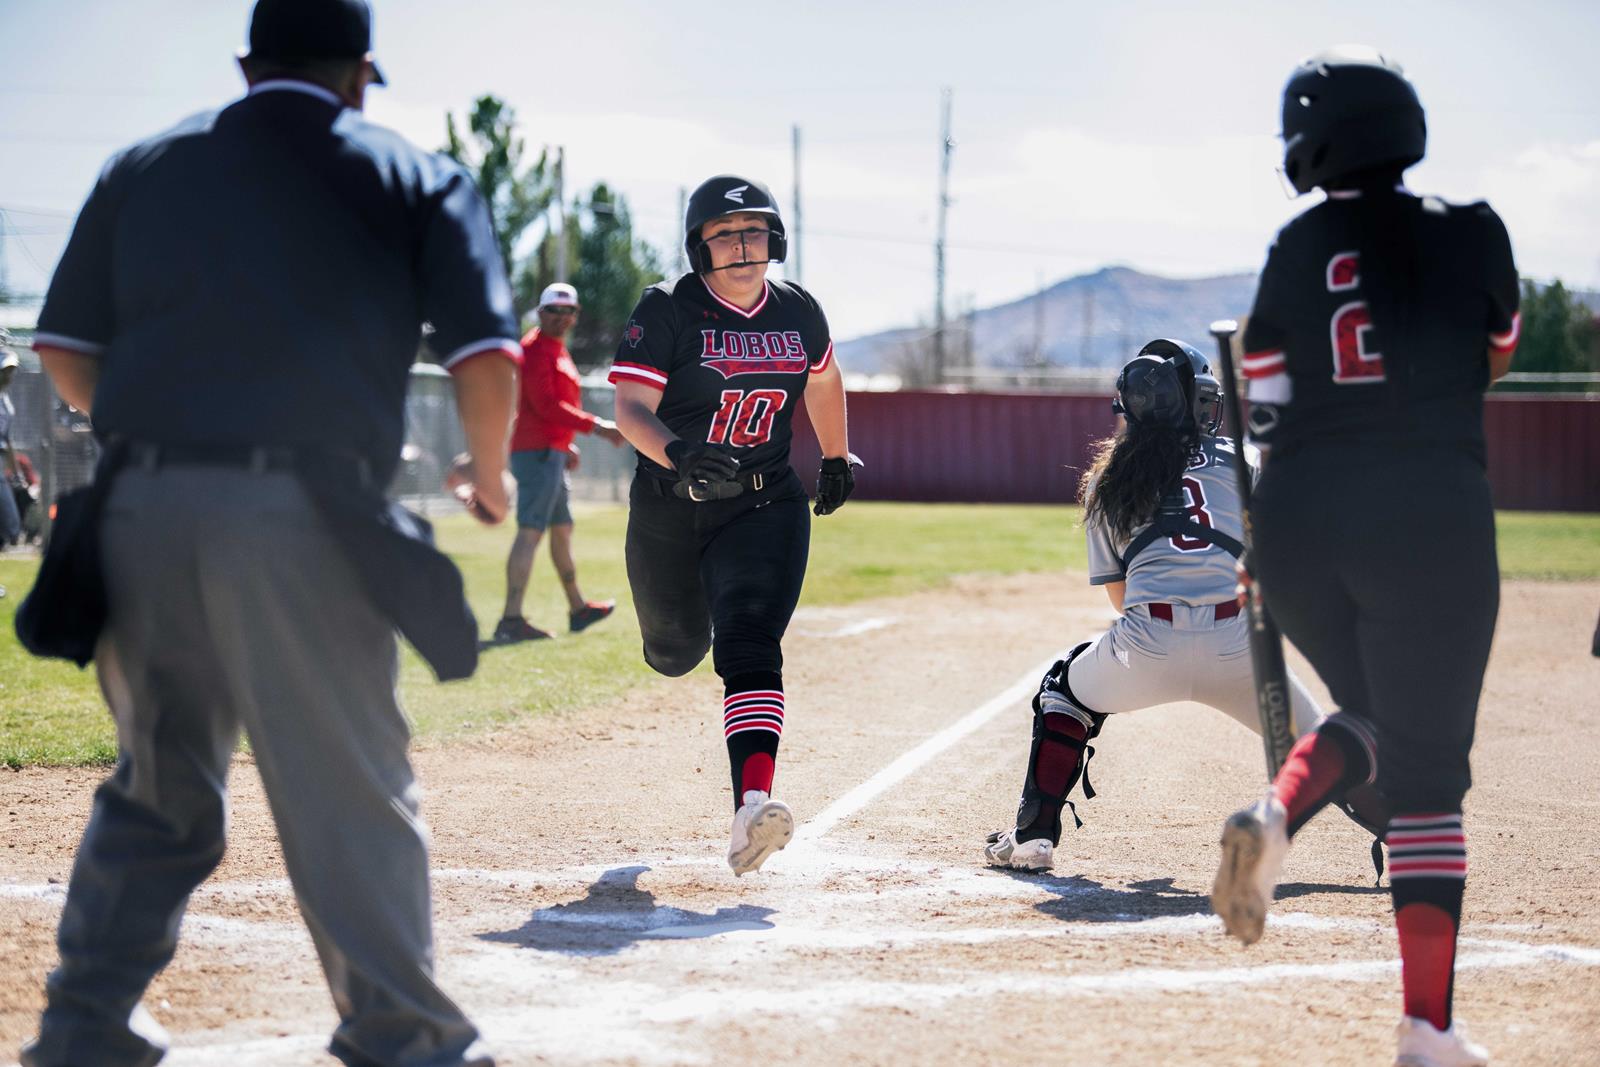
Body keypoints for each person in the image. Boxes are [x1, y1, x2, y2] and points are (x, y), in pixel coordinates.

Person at [20, 1, 520, 1064]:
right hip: (302, 514)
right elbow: (486, 357)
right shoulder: (411, 171)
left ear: (248, 65)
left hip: (137, 512)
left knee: (157, 779)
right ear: (359, 74)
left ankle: (85, 1024)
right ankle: (403, 1029)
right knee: (345, 780)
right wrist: (486, 469)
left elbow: (64, 352)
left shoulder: (143, 164)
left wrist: (168, 422)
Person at [1209, 46, 1519, 1067]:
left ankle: (1277, 806)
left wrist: (1265, 532)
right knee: (1428, 780)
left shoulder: (1296, 246)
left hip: (1296, 515)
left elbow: (1262, 396)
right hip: (1427, 511)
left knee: (1374, 720)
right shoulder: (1473, 232)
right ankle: (1426, 1028)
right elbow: (1497, 350)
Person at [982, 340, 1331, 872]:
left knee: (1063, 693)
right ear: (1192, 404)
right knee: (1328, 750)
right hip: (1240, 644)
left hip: (1145, 645)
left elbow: (1121, 599)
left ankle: (1032, 838)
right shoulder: (1247, 461)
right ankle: (1409, 831)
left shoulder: (1107, 479)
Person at [608, 174, 857, 876]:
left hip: (762, 502)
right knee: (673, 648)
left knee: (750, 640)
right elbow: (630, 408)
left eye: (753, 231)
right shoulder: (667, 309)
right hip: (669, 502)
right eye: (725, 235)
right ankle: (679, 636)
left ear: (774, 239)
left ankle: (752, 806)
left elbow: (823, 381)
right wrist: (679, 454)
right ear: (700, 248)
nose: (742, 246)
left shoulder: (799, 309)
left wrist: (835, 455)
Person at [493, 282, 625, 643]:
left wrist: (566, 444)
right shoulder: (534, 349)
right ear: (541, 312)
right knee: (530, 532)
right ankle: (510, 620)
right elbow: (545, 405)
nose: (562, 317)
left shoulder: (557, 349)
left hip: (551, 450)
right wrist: (598, 427)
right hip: (536, 454)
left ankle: (578, 608)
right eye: (555, 310)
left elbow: (551, 411)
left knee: (562, 531)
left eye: (570, 311)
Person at [0, 339, 22, 547]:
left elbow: (7, 440)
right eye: (5, 370)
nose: (9, 375)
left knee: (10, 526)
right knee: (8, 524)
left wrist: (16, 473)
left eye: (10, 370)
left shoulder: (5, 401)